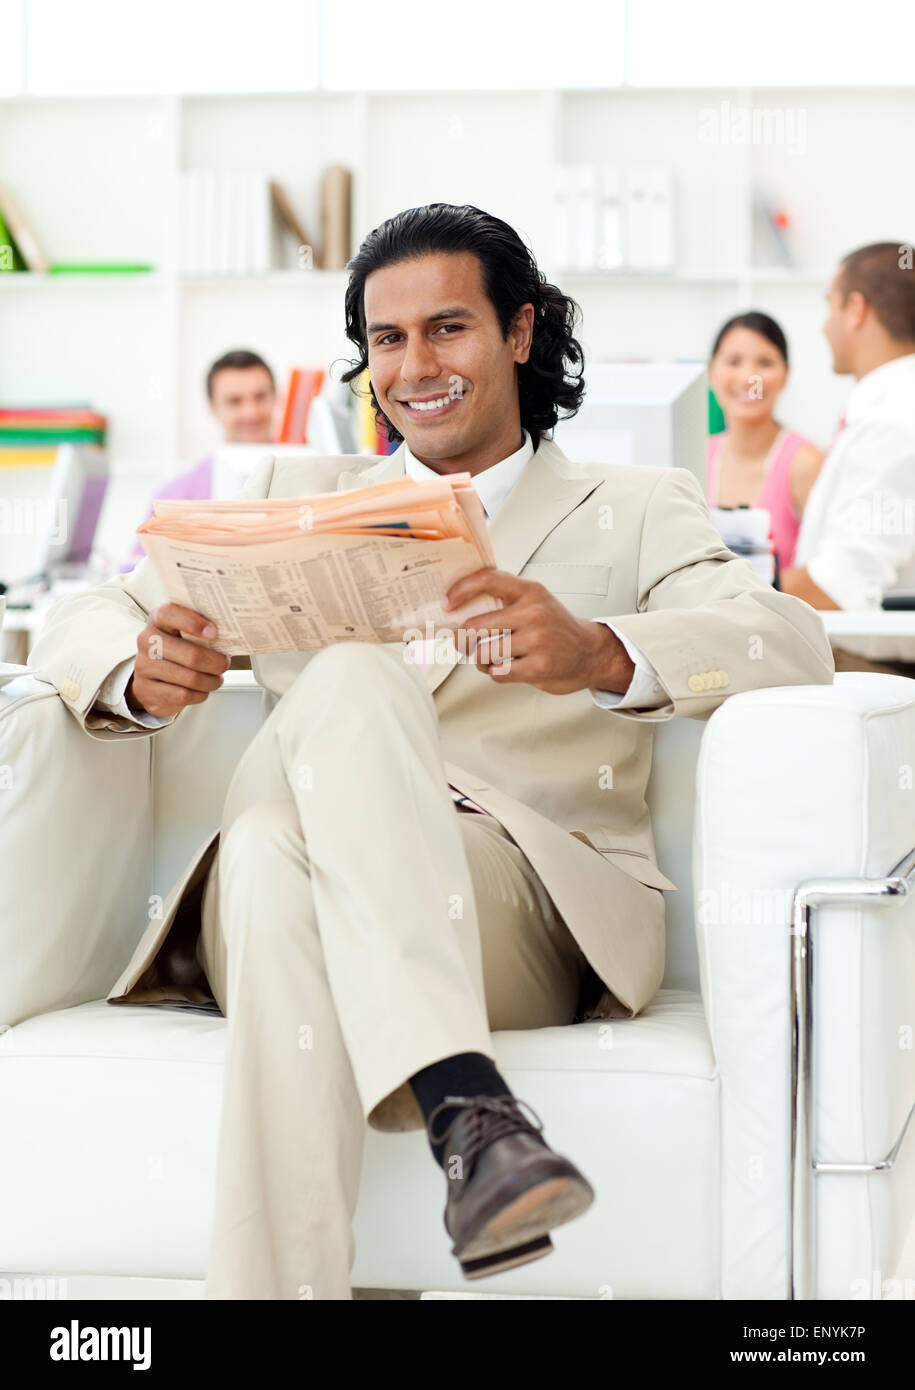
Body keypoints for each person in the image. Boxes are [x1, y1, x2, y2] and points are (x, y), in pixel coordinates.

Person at [29, 203, 835, 1300]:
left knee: (272, 856)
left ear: (518, 330)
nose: (417, 366)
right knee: (328, 732)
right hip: (302, 880)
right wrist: (134, 665)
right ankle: (468, 1109)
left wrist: (600, 651)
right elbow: (82, 612)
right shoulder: (287, 497)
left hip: (514, 893)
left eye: (448, 329)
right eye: (390, 341)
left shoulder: (637, 508)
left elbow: (785, 640)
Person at [780, 242, 915, 674]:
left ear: (856, 309)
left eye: (830, 307)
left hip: (874, 669)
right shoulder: (885, 409)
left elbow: (840, 582)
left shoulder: (894, 420)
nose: (824, 326)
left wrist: (734, 591)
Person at [121, 349, 277, 569]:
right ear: (214, 408)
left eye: (260, 397)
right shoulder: (175, 495)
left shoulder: (307, 475)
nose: (251, 413)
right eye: (235, 401)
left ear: (275, 398)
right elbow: (133, 570)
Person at [707, 311, 823, 574]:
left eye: (765, 362)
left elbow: (827, 573)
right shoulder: (694, 457)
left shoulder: (805, 464)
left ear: (785, 374)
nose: (749, 377)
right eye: (733, 361)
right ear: (712, 373)